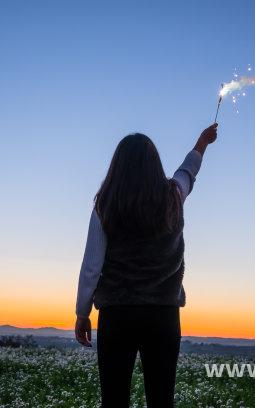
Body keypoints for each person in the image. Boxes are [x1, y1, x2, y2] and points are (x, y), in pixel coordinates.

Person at [74, 123, 218, 407]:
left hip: (118, 315)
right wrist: (202, 142)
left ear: (118, 166)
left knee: (114, 400)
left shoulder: (106, 204)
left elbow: (92, 266)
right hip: (162, 315)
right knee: (161, 399)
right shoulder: (173, 196)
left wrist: (82, 313)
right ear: (155, 164)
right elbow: (188, 171)